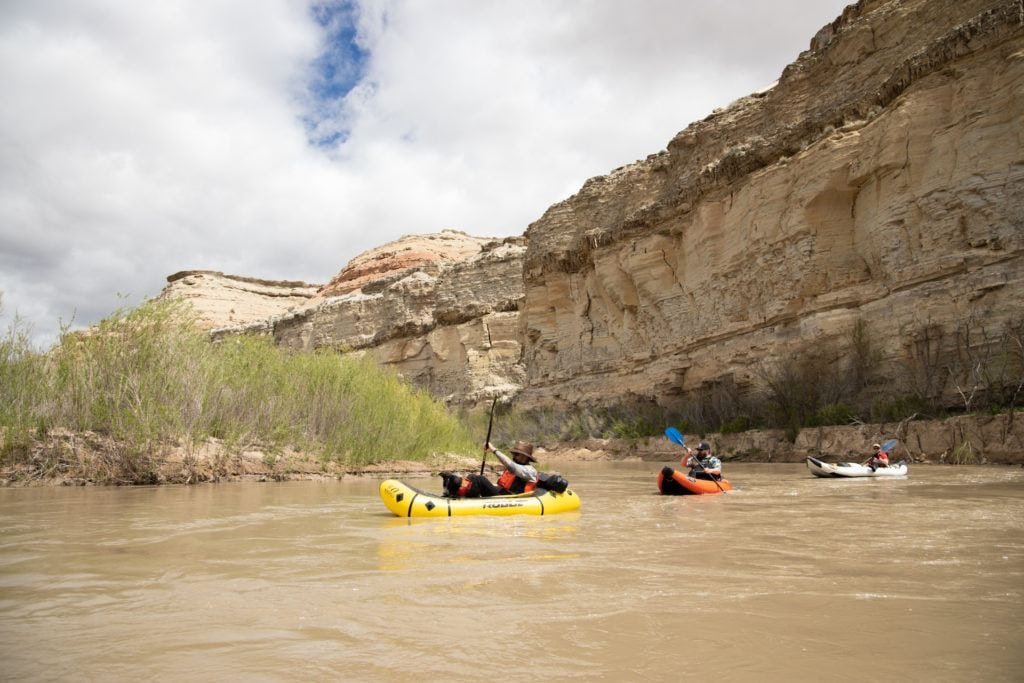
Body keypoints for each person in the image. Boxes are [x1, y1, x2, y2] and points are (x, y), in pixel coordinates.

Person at [440, 441, 539, 498]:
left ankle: (455, 484)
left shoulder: (530, 471)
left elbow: (511, 466)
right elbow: (501, 484)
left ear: (526, 457)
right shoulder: (517, 466)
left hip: (512, 499)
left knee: (480, 479)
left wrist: (494, 450)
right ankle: (453, 490)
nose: (513, 456)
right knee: (473, 477)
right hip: (503, 494)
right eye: (513, 454)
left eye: (517, 454)